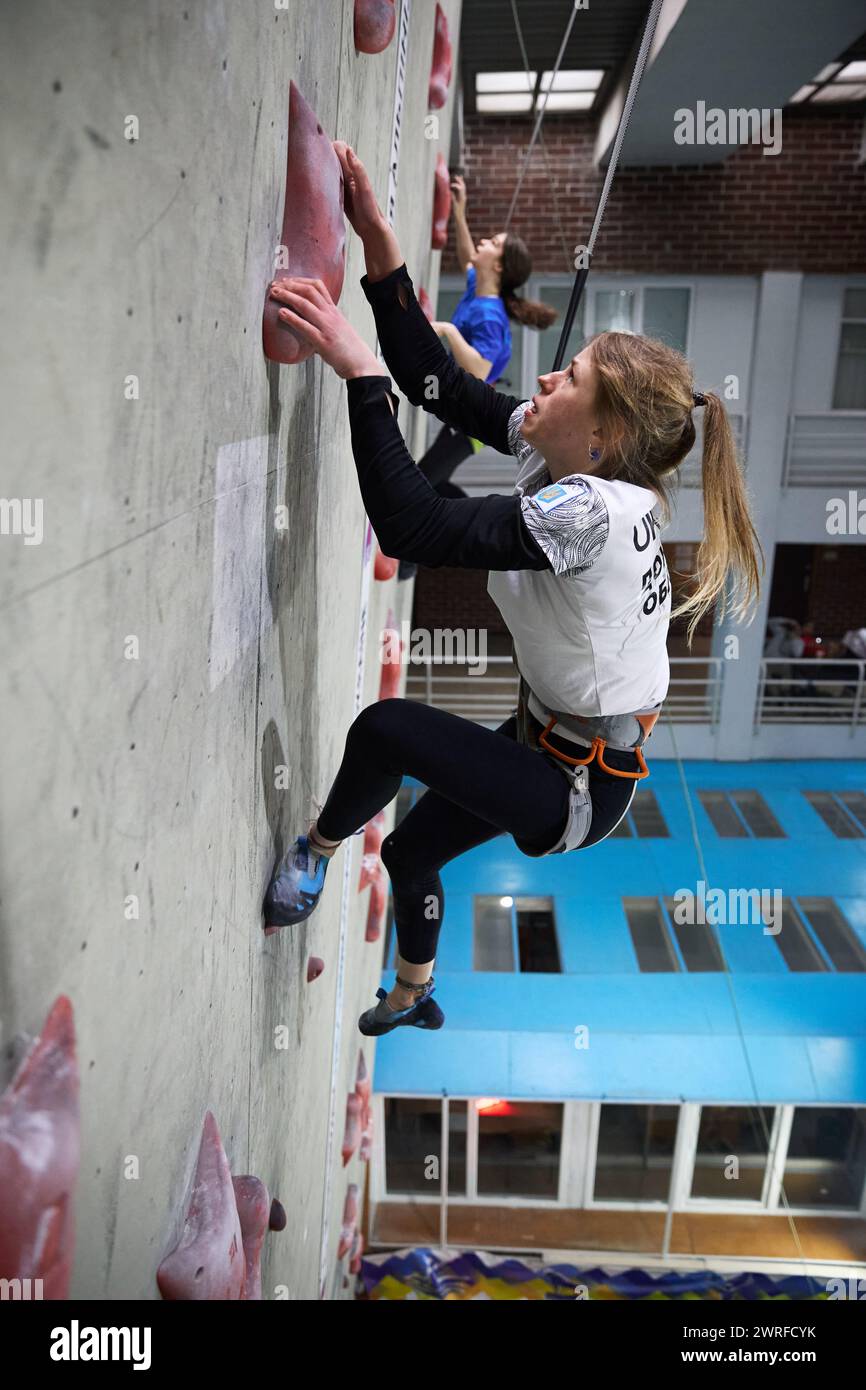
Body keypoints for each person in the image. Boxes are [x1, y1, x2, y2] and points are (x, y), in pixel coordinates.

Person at [262, 144, 763, 1038]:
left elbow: (413, 526)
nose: (543, 380)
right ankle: (415, 992)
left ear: (603, 438)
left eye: (568, 379)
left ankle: (319, 848)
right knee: (415, 848)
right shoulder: (572, 455)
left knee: (384, 731)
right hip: (552, 729)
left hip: (574, 784)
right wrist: (381, 245)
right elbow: (443, 384)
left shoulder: (591, 512)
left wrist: (360, 377)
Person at [398, 176, 557, 579]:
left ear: (499, 266)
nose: (483, 244)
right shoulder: (481, 286)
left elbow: (479, 370)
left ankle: (410, 561)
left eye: (493, 244)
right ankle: (438, 518)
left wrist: (449, 331)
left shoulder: (491, 317)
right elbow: (468, 255)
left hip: (471, 423)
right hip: (458, 410)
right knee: (431, 478)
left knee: (422, 478)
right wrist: (460, 210)